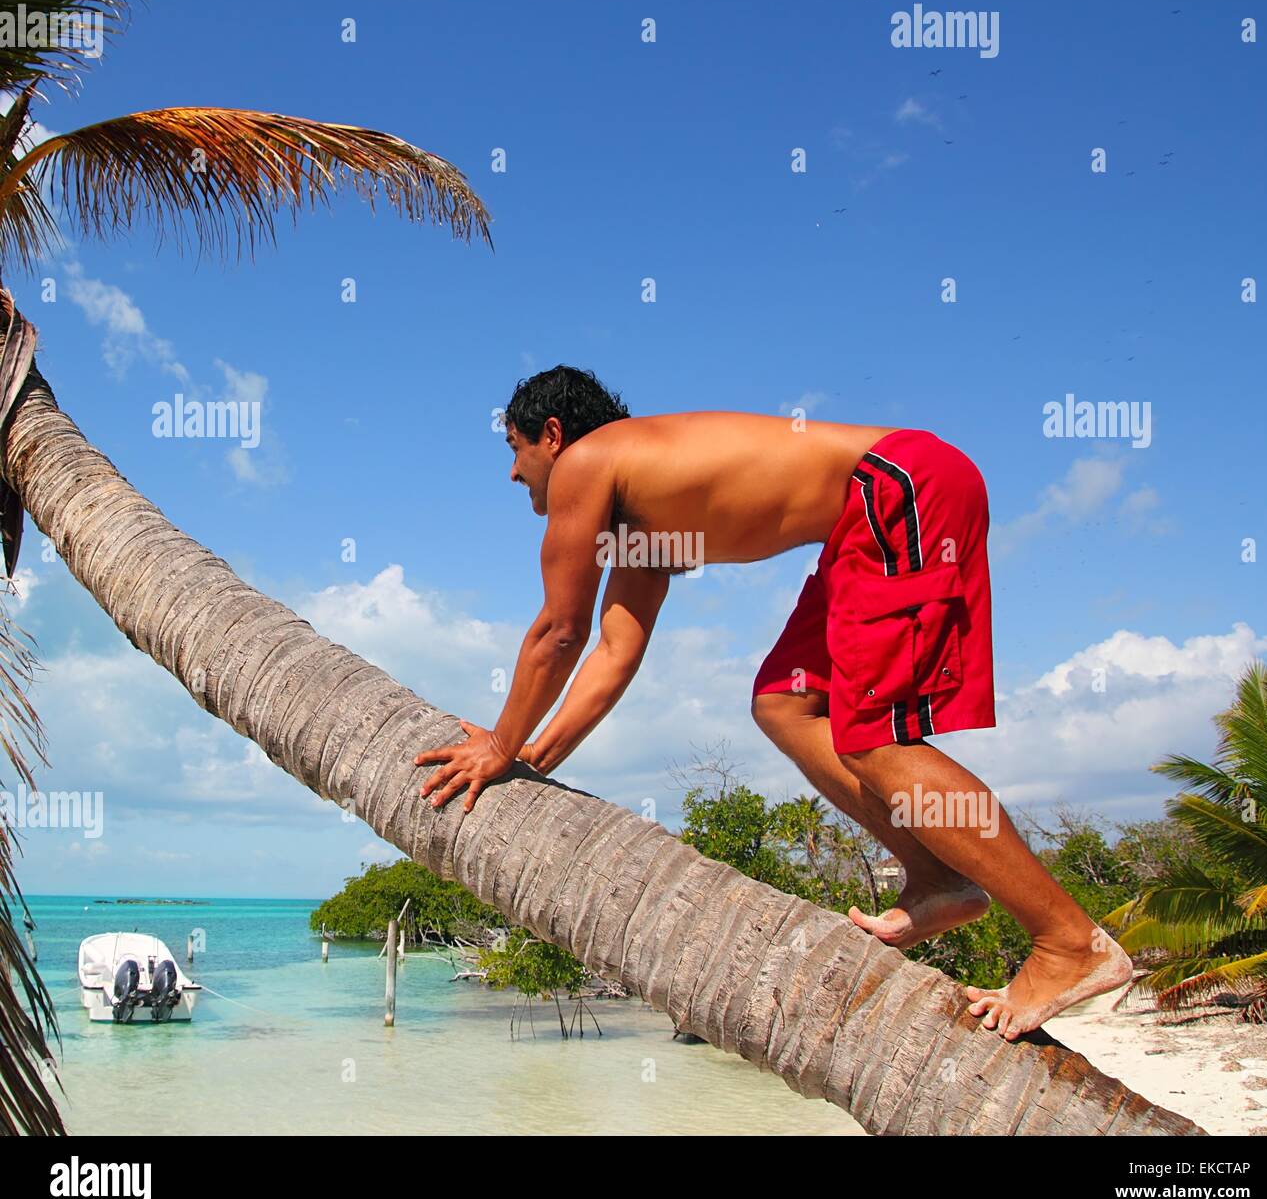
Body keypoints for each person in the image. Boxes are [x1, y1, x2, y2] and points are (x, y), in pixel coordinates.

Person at [415, 365, 1132, 1040]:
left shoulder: (586, 461)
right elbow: (613, 652)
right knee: (784, 703)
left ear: (551, 433)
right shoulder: (642, 520)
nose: (513, 472)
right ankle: (937, 876)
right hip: (866, 518)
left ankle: (1069, 942)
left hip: (899, 485)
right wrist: (528, 762)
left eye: (514, 449)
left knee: (873, 737)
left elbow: (559, 631)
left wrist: (497, 747)